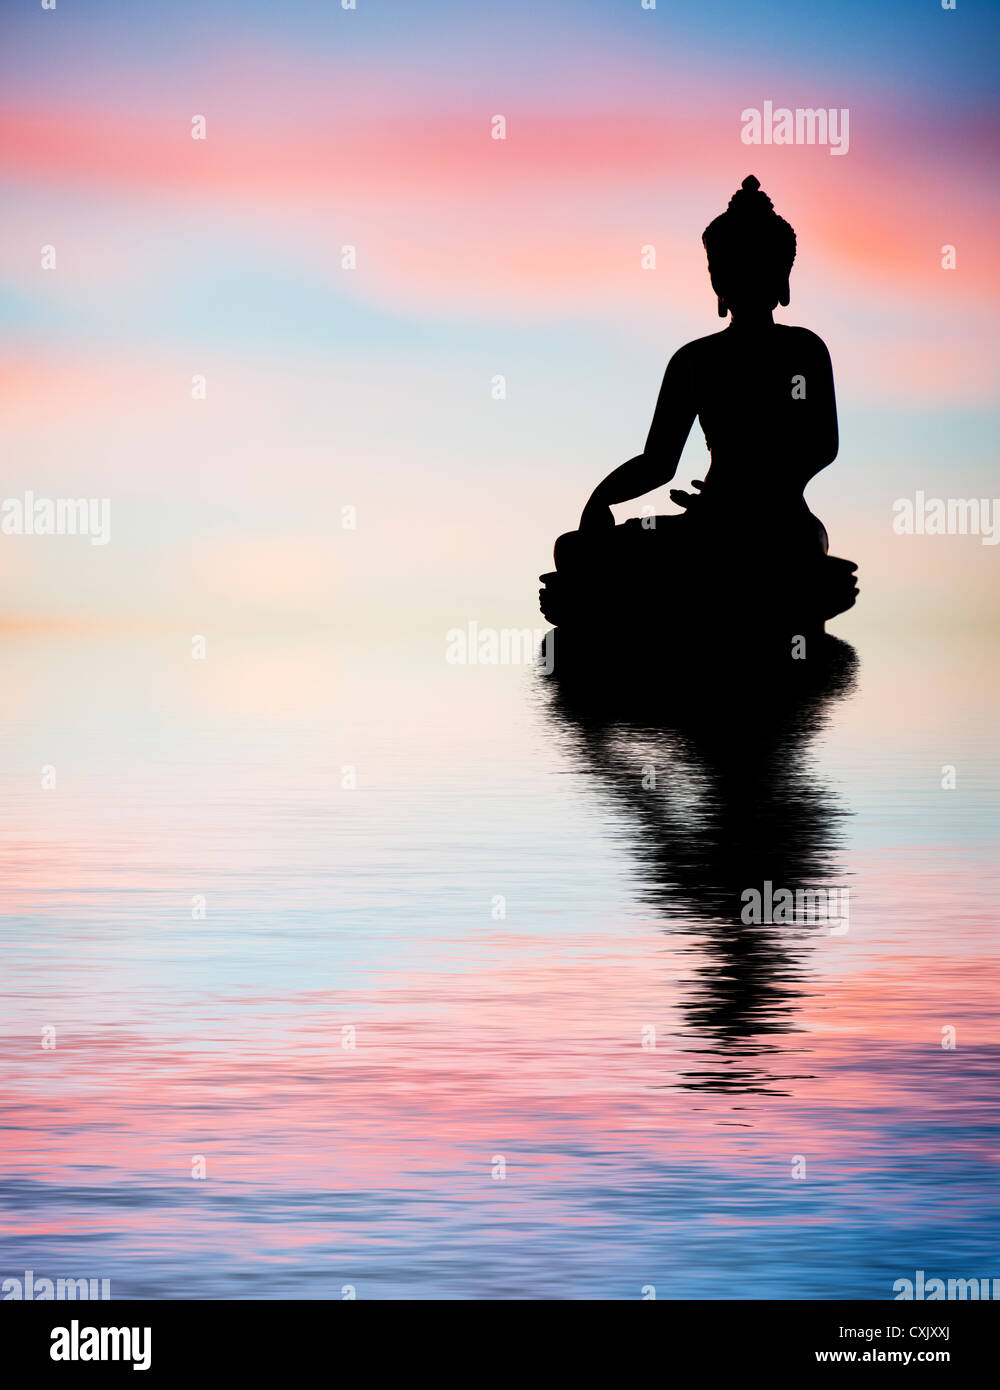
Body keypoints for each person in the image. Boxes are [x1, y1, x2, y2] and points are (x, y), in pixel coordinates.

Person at [542, 176, 858, 634]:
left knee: (798, 554)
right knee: (576, 548)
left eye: (758, 265)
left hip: (780, 523)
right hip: (704, 525)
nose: (740, 278)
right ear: (716, 280)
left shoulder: (803, 350)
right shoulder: (694, 360)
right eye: (728, 268)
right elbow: (658, 461)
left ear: (782, 276)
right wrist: (601, 498)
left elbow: (820, 446)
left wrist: (755, 493)